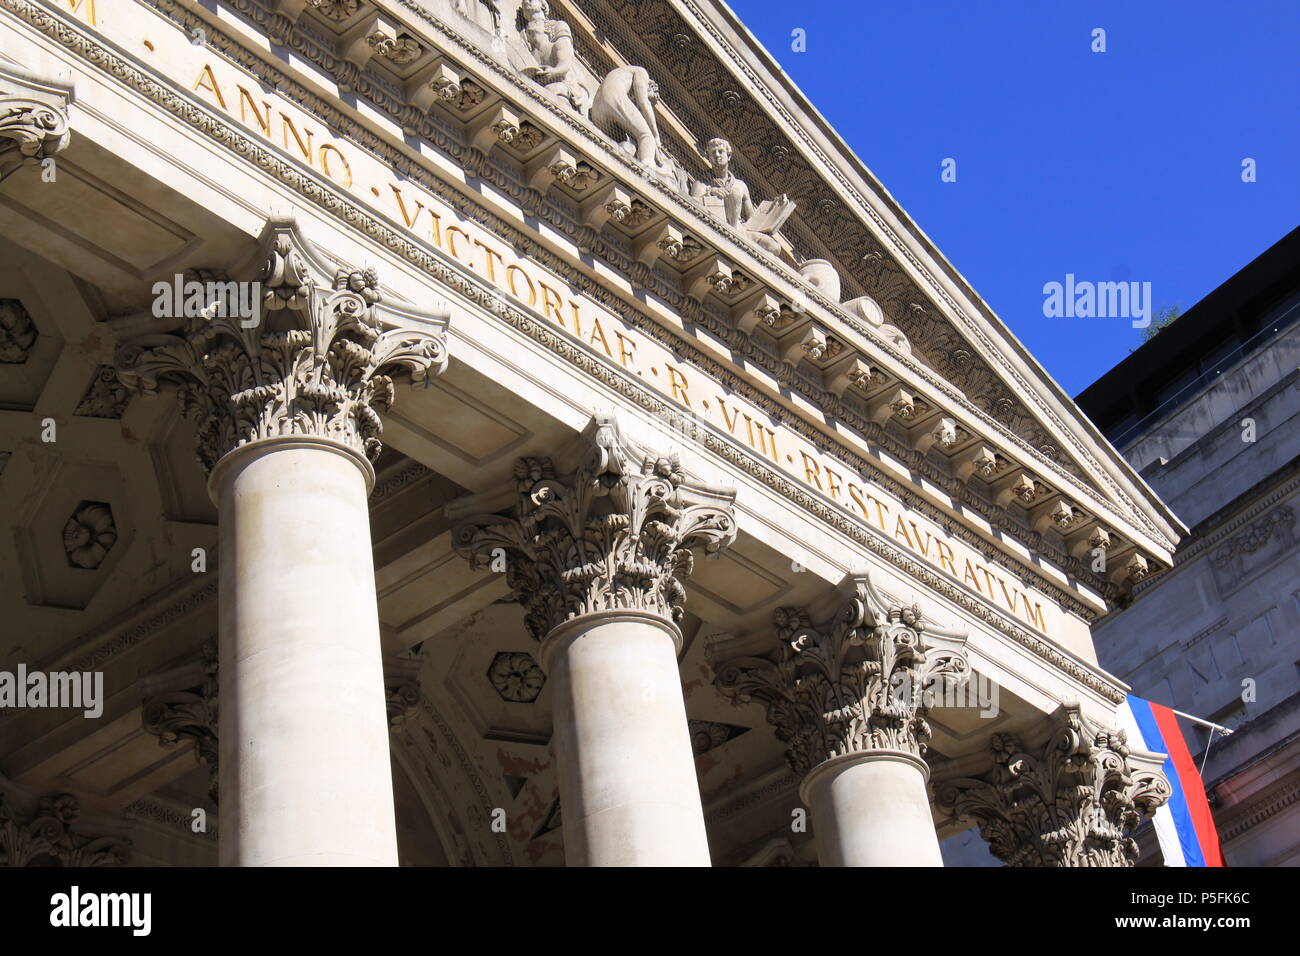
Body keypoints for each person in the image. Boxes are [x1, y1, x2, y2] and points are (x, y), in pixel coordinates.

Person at [519, 0, 589, 115]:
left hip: (569, 84)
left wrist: (553, 71)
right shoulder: (525, 37)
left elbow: (566, 61)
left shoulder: (557, 26)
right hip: (544, 83)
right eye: (524, 3)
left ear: (543, 5)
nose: (526, 2)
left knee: (552, 91)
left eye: (531, 0)